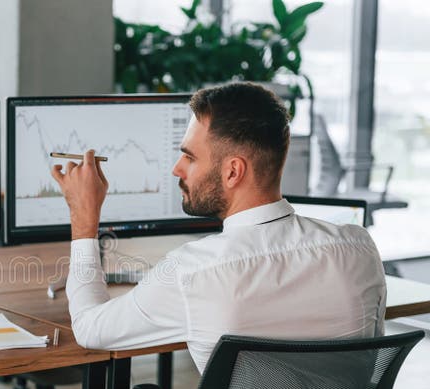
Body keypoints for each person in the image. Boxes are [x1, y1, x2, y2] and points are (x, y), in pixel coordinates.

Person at [50, 82, 386, 374]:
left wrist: (84, 219)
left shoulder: (194, 272)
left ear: (233, 172)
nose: (176, 169)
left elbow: (90, 328)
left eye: (190, 157)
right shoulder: (359, 248)